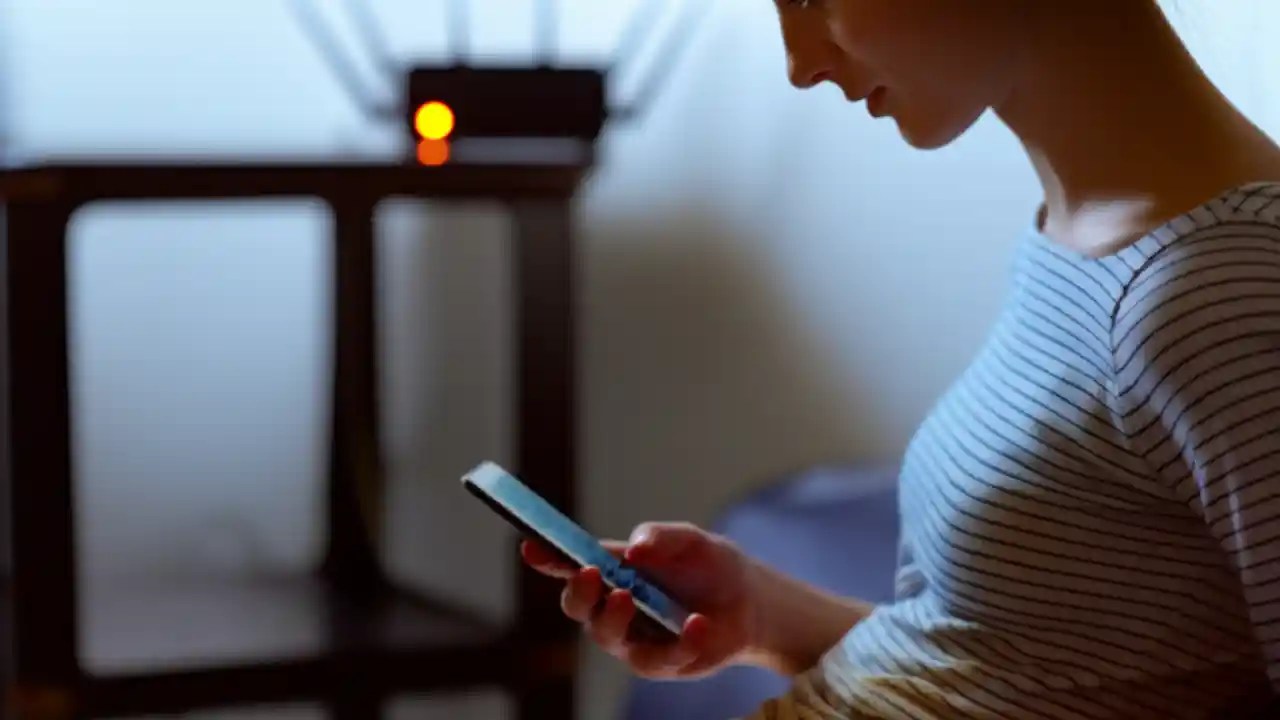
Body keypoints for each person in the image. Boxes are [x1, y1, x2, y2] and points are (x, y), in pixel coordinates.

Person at [525, 2, 1280, 718]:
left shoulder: (1222, 291)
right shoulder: (1087, 236)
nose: (800, 63)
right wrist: (761, 614)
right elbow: (1001, 671)